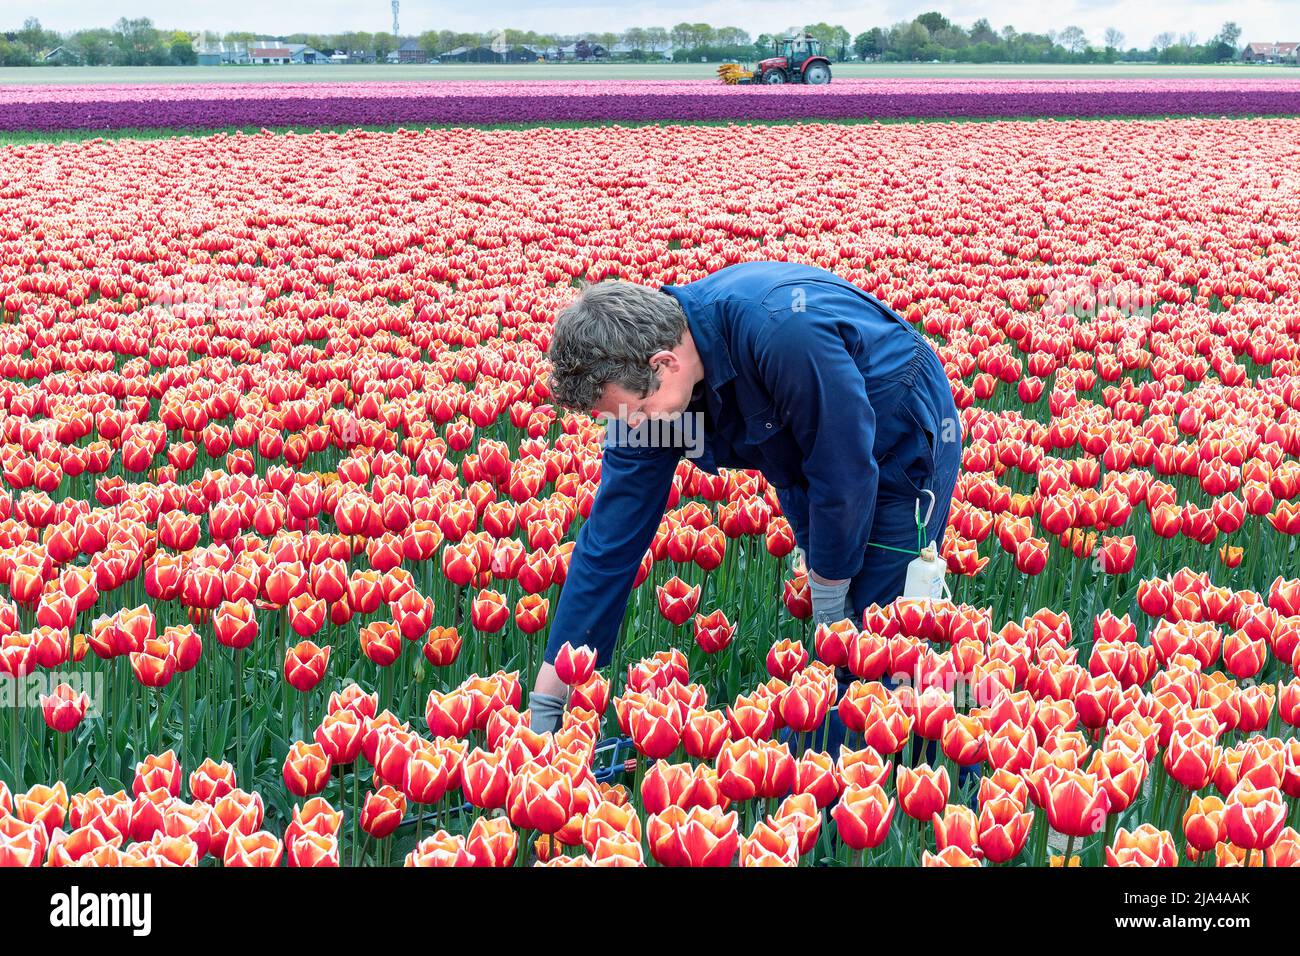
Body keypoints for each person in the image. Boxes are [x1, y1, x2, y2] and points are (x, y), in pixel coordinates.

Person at [527, 260, 962, 737]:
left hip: (896, 432)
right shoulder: (651, 403)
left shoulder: (780, 331)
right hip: (801, 454)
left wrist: (832, 599)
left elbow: (844, 470)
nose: (631, 427)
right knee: (841, 634)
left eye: (634, 413)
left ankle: (924, 769)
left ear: (663, 365)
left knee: (877, 628)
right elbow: (610, 541)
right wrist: (550, 696)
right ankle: (841, 753)